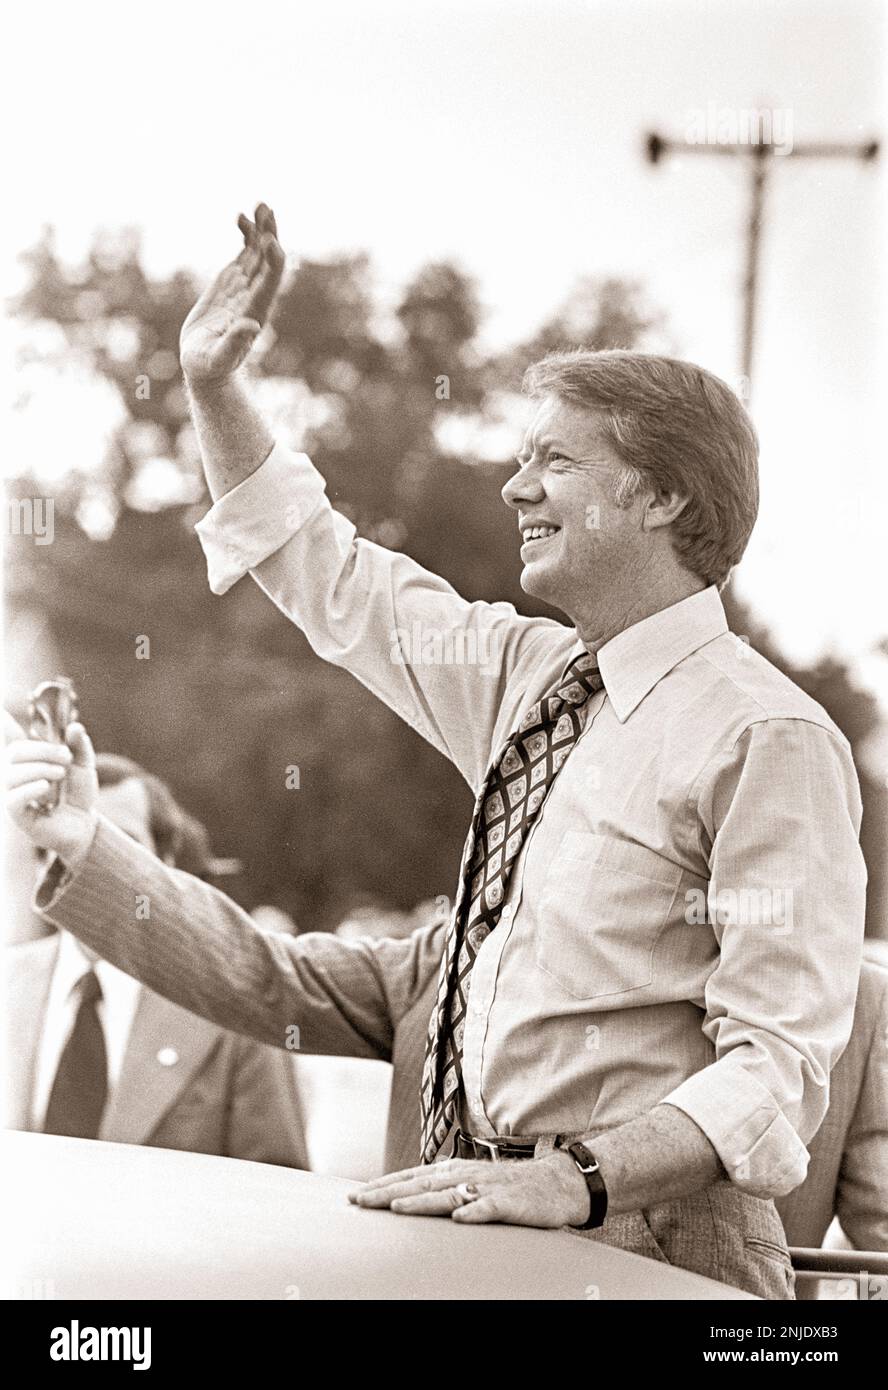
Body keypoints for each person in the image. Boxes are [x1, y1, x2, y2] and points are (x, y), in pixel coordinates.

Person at [8, 204, 867, 1298]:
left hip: (653, 1262)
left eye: (552, 461)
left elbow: (777, 1071)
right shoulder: (527, 679)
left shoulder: (771, 738)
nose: (514, 489)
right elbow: (328, 572)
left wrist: (576, 1178)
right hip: (474, 1244)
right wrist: (217, 392)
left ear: (660, 496)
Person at [5, 750, 309, 1170]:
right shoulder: (7, 985)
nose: (86, 862)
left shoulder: (234, 1006)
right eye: (61, 844)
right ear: (40, 864)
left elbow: (281, 1193)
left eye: (117, 846)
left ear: (163, 866)